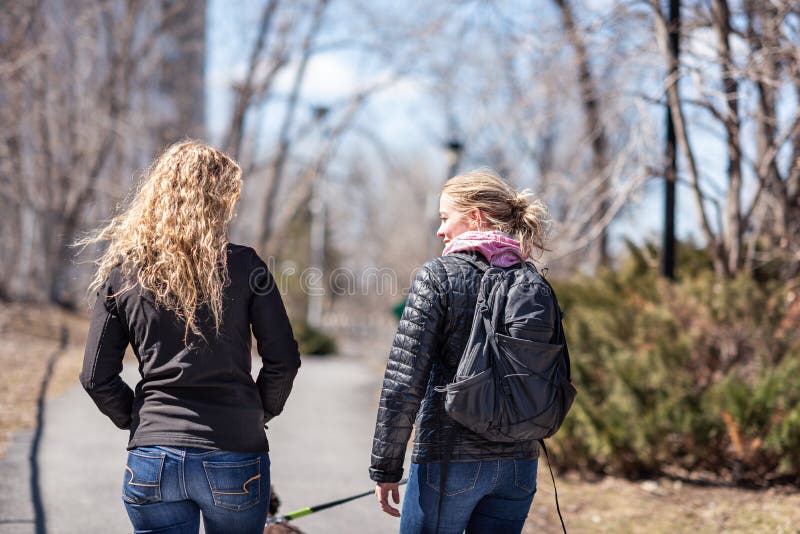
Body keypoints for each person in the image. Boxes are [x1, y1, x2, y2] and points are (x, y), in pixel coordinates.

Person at [79, 140, 301, 534]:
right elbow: (282, 359)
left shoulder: (124, 272)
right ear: (217, 200)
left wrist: (139, 419)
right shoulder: (244, 265)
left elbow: (96, 376)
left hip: (153, 456)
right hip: (234, 451)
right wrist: (260, 411)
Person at [370, 168, 552, 533]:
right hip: (519, 464)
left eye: (444, 218)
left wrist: (385, 467)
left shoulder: (437, 276)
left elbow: (404, 381)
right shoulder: (534, 281)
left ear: (476, 217)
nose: (440, 230)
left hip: (449, 461)